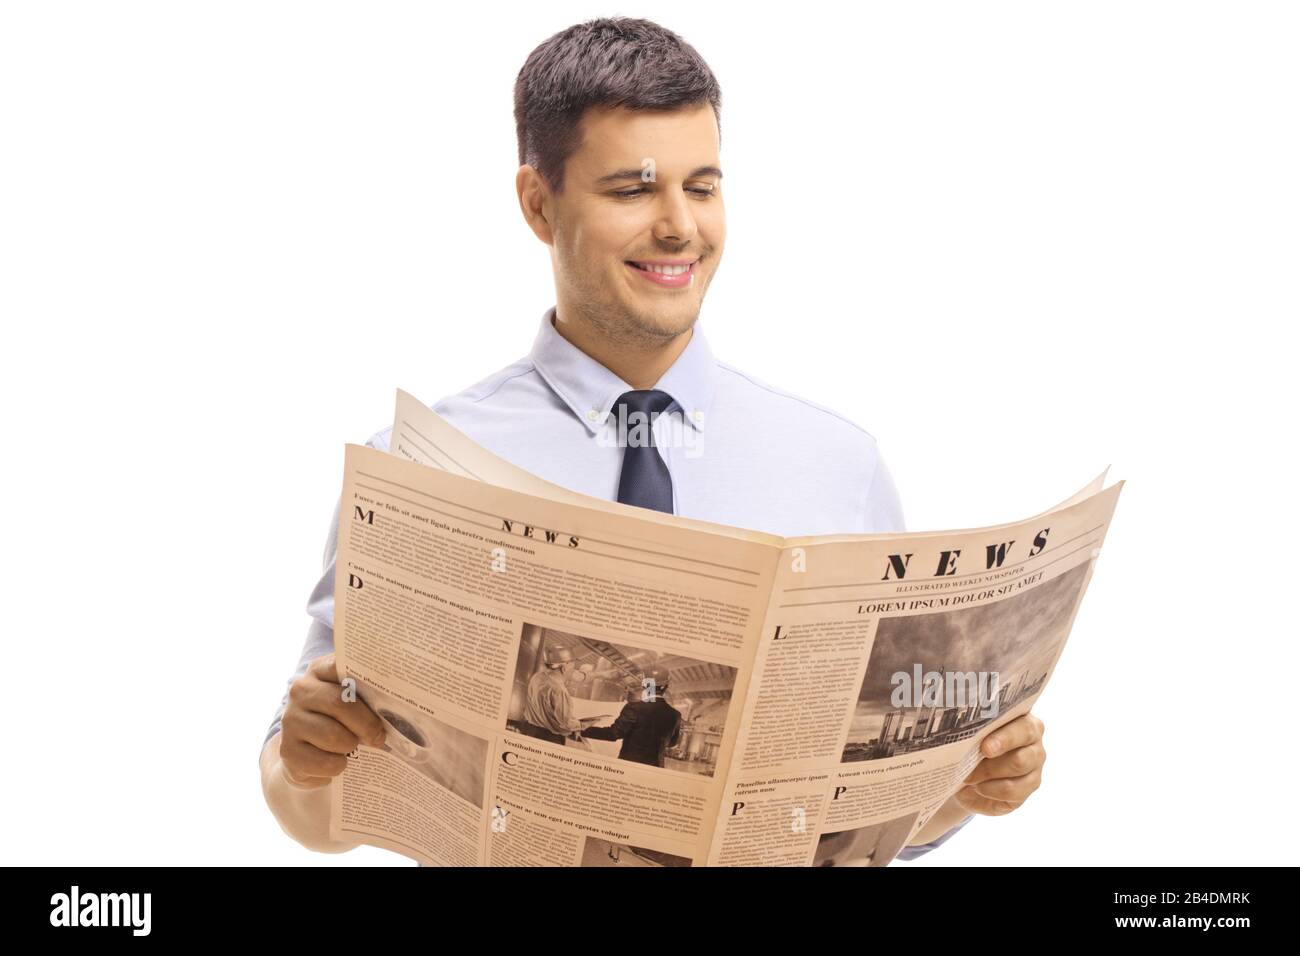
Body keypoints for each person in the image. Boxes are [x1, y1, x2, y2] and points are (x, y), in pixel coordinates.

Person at [260, 16, 1047, 861]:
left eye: (702, 187)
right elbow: (312, 806)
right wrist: (301, 763)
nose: (679, 227)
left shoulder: (836, 466)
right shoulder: (418, 466)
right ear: (538, 203)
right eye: (633, 191)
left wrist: (959, 792)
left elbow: (860, 834)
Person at [579, 668, 683, 768]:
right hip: (655, 768)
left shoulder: (634, 708)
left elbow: (614, 733)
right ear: (666, 686)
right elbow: (672, 743)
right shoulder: (676, 715)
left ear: (644, 684)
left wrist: (583, 729)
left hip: (629, 765)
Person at [518, 645, 584, 743]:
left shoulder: (537, 677)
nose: (574, 669)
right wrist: (582, 724)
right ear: (564, 668)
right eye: (573, 666)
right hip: (548, 738)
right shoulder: (559, 690)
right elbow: (565, 724)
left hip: (528, 730)